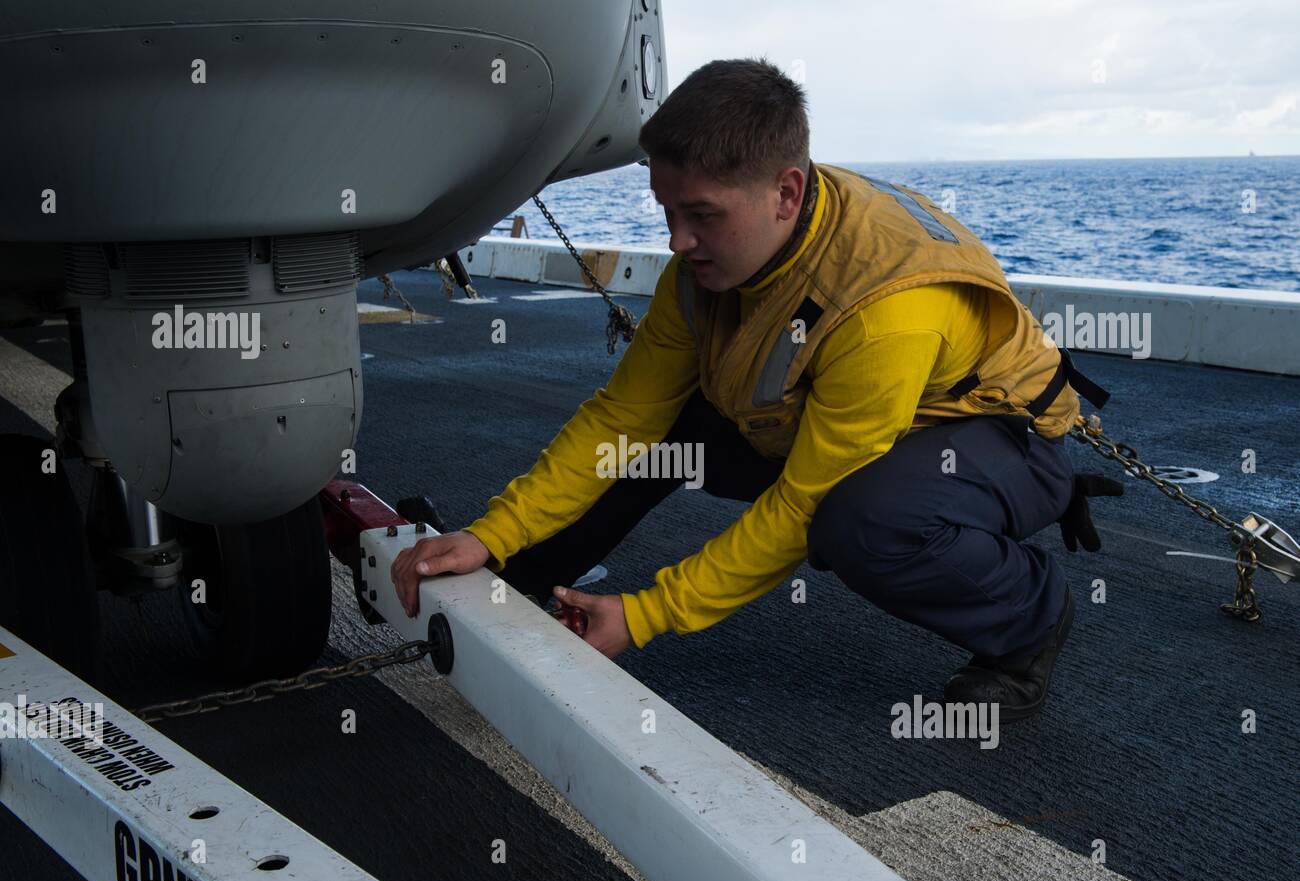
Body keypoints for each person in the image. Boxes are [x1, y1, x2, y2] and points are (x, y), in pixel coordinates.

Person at [391, 57, 1120, 722]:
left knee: (856, 519)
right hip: (847, 419)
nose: (677, 242)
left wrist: (646, 614)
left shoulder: (882, 317)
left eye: (702, 215)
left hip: (1000, 442)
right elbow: (625, 418)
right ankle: (522, 576)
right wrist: (493, 534)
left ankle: (1029, 617)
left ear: (786, 193)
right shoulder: (709, 268)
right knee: (657, 433)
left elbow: (800, 504)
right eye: (667, 213)